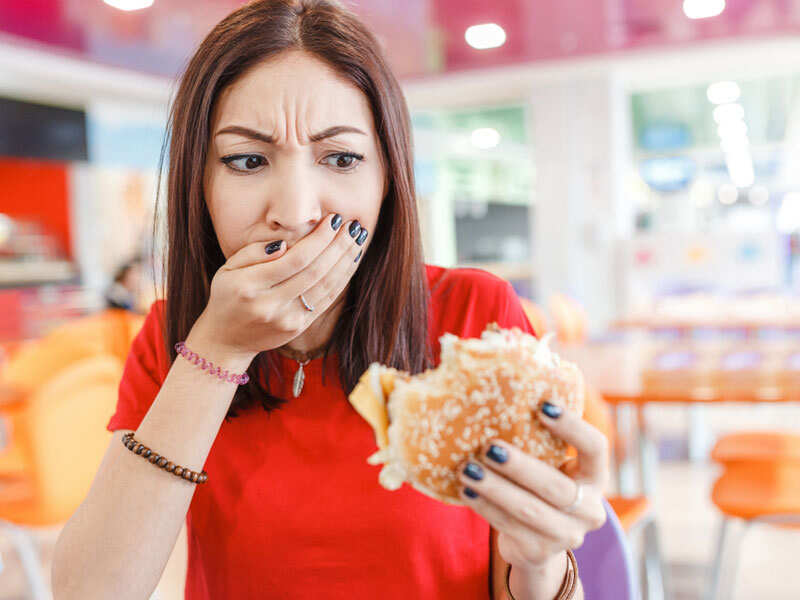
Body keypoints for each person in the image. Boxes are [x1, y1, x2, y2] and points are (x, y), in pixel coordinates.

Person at [51, 2, 609, 598]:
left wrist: (542, 561)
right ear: (199, 186)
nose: (295, 214)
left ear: (388, 179)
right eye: (246, 160)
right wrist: (218, 349)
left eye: (340, 158)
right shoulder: (174, 338)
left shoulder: (472, 315)